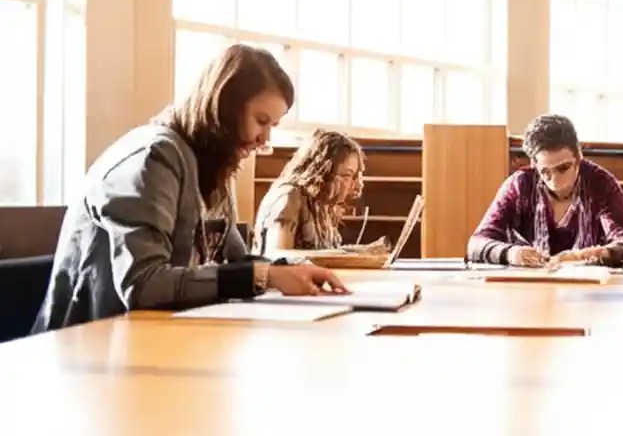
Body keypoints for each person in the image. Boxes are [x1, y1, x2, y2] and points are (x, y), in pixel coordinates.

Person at [31, 44, 347, 334]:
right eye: (261, 121)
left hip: (153, 338)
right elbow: (143, 285)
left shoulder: (213, 164)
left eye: (272, 126)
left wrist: (288, 268)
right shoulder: (152, 158)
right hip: (85, 348)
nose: (265, 139)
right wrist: (265, 277)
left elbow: (232, 261)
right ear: (224, 107)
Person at [467, 114, 623, 267]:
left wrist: (587, 256)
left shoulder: (600, 183)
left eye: (563, 168)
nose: (556, 181)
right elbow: (476, 243)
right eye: (545, 172)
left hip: (590, 293)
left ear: (579, 157)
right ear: (534, 165)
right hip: (530, 293)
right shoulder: (520, 185)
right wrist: (510, 254)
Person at [252, 129, 388, 259]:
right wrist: (344, 255)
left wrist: (363, 251)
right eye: (347, 175)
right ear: (321, 172)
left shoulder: (322, 204)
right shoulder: (288, 196)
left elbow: (324, 252)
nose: (357, 185)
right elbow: (278, 255)